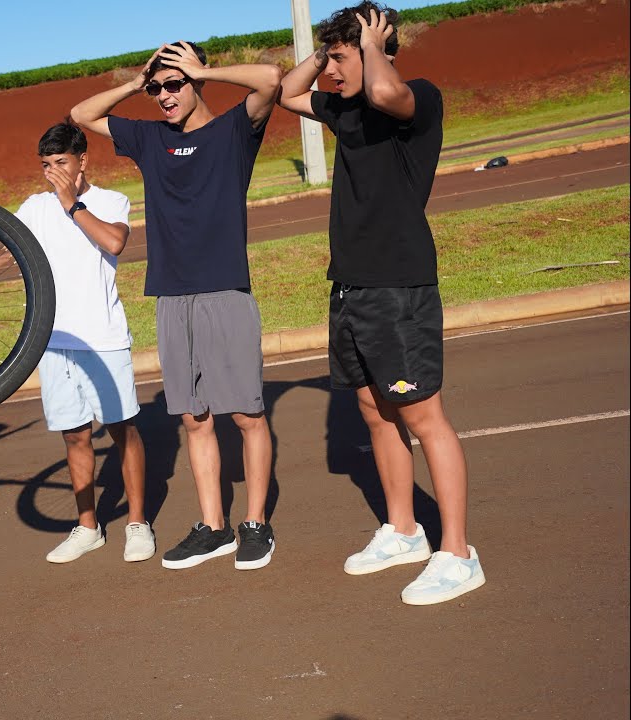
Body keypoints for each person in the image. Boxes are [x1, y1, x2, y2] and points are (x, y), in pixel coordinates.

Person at [277, 3, 485, 605]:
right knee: (374, 411)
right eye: (331, 60)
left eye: (340, 59)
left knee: (424, 417)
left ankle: (458, 553)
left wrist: (367, 48)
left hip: (399, 285)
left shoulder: (416, 99)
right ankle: (403, 530)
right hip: (351, 285)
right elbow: (290, 95)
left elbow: (388, 90)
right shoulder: (342, 109)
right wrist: (325, 51)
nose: (329, 74)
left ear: (375, 47)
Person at [70, 42, 281, 571]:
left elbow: (270, 79)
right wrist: (135, 80)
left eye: (175, 84)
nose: (164, 96)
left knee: (248, 414)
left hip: (225, 289)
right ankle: (214, 526)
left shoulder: (233, 132)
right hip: (171, 294)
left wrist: (203, 69)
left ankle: (255, 523)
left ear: (196, 82)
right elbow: (81, 115)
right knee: (194, 417)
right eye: (157, 88)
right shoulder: (148, 137)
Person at [0, 122, 153, 563]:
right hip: (53, 339)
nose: (53, 173)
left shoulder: (110, 201)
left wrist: (72, 202)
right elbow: (7, 234)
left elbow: (115, 241)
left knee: (122, 430)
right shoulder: (37, 206)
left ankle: (138, 523)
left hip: (102, 338)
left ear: (83, 160)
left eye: (61, 163)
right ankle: (88, 527)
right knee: (74, 436)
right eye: (46, 165)